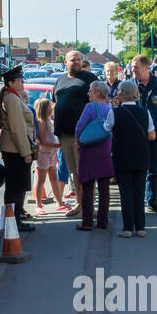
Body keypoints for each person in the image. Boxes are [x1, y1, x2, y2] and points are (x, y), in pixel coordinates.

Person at [106, 79, 156, 237]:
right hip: (141, 156)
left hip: (122, 157)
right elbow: (152, 135)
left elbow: (106, 128)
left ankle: (127, 227)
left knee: (125, 192)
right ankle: (140, 227)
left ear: (120, 94)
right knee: (139, 191)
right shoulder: (145, 112)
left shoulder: (114, 112)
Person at [52, 50, 99, 216]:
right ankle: (79, 204)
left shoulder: (90, 79)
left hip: (82, 135)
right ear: (66, 62)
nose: (77, 62)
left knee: (85, 172)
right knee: (74, 173)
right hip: (64, 134)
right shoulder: (60, 80)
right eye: (73, 60)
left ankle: (88, 206)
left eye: (80, 59)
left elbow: (99, 103)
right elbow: (55, 103)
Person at [0, 65, 37, 231]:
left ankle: (15, 220)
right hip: (15, 149)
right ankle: (13, 222)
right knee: (16, 188)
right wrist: (26, 152)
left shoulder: (13, 96)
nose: (22, 82)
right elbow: (18, 127)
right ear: (10, 83)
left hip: (15, 148)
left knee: (18, 187)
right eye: (19, 80)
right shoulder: (11, 98)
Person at [73, 81, 115, 231]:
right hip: (105, 149)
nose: (88, 93)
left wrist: (77, 140)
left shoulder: (90, 107)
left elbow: (80, 125)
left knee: (88, 186)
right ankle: (103, 221)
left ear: (97, 92)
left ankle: (87, 222)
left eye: (90, 91)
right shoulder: (109, 108)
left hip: (89, 149)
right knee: (104, 188)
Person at [131, 54, 157, 214]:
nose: (134, 72)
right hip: (134, 137)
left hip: (155, 136)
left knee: (153, 170)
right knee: (135, 169)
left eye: (137, 68)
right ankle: (136, 201)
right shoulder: (130, 86)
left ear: (148, 67)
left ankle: (152, 201)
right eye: (132, 69)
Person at [33, 97, 67, 213]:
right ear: (43, 109)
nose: (51, 108)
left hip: (51, 153)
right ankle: (38, 205)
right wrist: (58, 146)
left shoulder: (48, 120)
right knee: (41, 179)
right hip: (43, 154)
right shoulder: (41, 122)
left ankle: (60, 202)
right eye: (49, 107)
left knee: (53, 178)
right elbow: (42, 141)